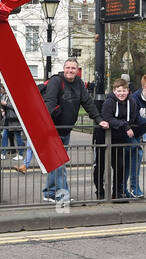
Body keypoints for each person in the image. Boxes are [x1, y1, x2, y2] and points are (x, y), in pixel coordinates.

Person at [41, 58, 101, 203]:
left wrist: (99, 119)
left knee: (56, 164)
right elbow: (49, 103)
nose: (70, 70)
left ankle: (49, 192)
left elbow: (87, 102)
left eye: (73, 68)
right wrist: (48, 128)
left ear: (77, 70)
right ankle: (62, 197)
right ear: (64, 68)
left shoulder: (79, 83)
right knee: (60, 164)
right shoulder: (56, 81)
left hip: (65, 131)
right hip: (53, 131)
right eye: (68, 67)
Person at [99, 78, 134, 199]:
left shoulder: (132, 102)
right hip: (105, 139)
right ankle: (100, 192)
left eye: (124, 90)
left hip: (121, 140)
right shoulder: (109, 102)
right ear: (114, 91)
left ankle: (117, 193)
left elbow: (135, 118)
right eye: (119, 91)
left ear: (128, 91)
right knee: (100, 166)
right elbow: (107, 117)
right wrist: (125, 125)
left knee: (120, 166)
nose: (122, 93)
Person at [0, 94, 22, 160]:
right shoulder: (5, 96)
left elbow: (16, 106)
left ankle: (20, 154)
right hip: (8, 119)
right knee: (4, 136)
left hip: (14, 120)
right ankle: (3, 153)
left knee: (18, 137)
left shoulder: (15, 95)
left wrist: (6, 104)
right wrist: (2, 109)